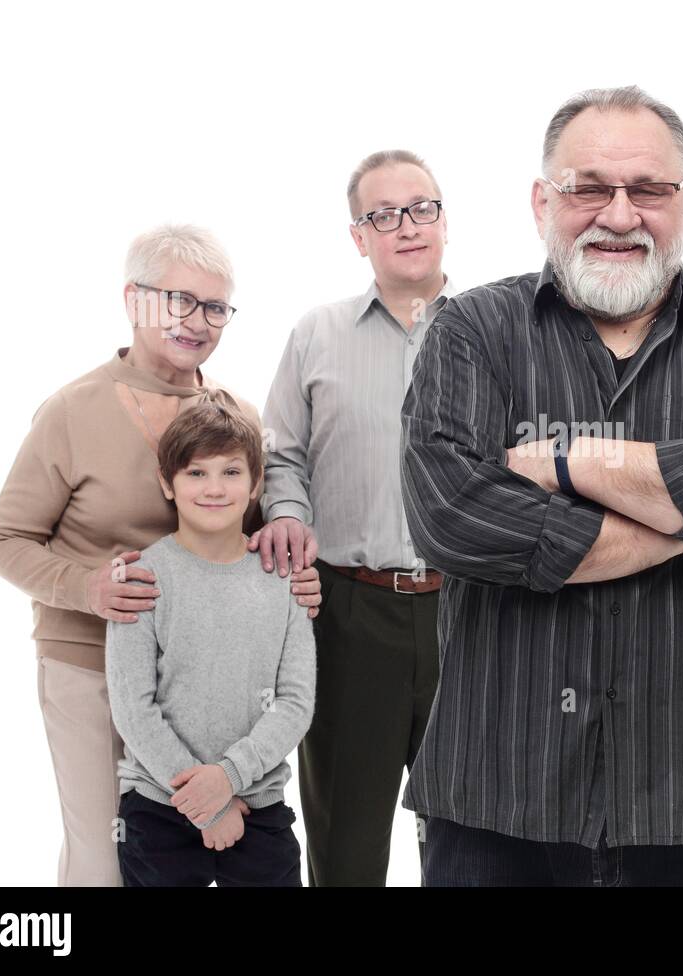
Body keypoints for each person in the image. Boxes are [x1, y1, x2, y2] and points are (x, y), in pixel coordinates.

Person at [399, 85, 683, 887]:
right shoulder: (470, 331)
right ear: (541, 203)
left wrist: (563, 462)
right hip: (498, 805)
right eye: (589, 188)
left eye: (649, 191)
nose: (619, 215)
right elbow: (454, 516)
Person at [0, 224, 322, 886]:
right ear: (135, 300)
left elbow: (254, 533)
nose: (198, 322)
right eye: (179, 301)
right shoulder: (72, 411)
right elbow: (3, 541)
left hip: (203, 670)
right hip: (88, 664)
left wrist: (292, 574)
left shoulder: (236, 418)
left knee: (202, 835)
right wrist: (90, 589)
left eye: (216, 307)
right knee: (102, 853)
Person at [257, 149, 455, 885]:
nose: (406, 226)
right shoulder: (318, 334)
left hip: (469, 614)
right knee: (346, 842)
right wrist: (286, 516)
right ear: (358, 236)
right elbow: (281, 456)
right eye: (383, 214)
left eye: (421, 208)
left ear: (443, 220)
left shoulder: (495, 331)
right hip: (347, 612)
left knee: (471, 832)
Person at [106, 400, 316, 886]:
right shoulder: (143, 577)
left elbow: (294, 702)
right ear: (167, 483)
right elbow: (134, 708)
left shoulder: (284, 580)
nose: (215, 488)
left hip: (258, 804)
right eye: (196, 472)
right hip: (160, 807)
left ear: (256, 482)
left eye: (230, 471)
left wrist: (228, 779)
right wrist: (205, 802)